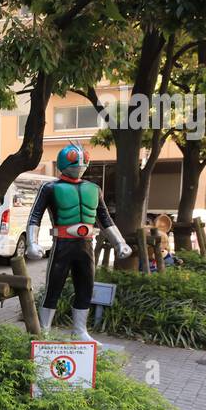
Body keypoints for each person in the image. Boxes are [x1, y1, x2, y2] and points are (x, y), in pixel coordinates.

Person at [25, 145, 132, 344]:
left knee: (86, 287)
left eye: (83, 159)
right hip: (62, 243)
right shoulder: (50, 188)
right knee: (53, 287)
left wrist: (120, 242)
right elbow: (35, 216)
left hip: (86, 245)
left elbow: (105, 219)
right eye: (75, 159)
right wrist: (32, 242)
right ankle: (44, 332)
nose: (80, 164)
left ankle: (80, 331)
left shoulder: (94, 189)